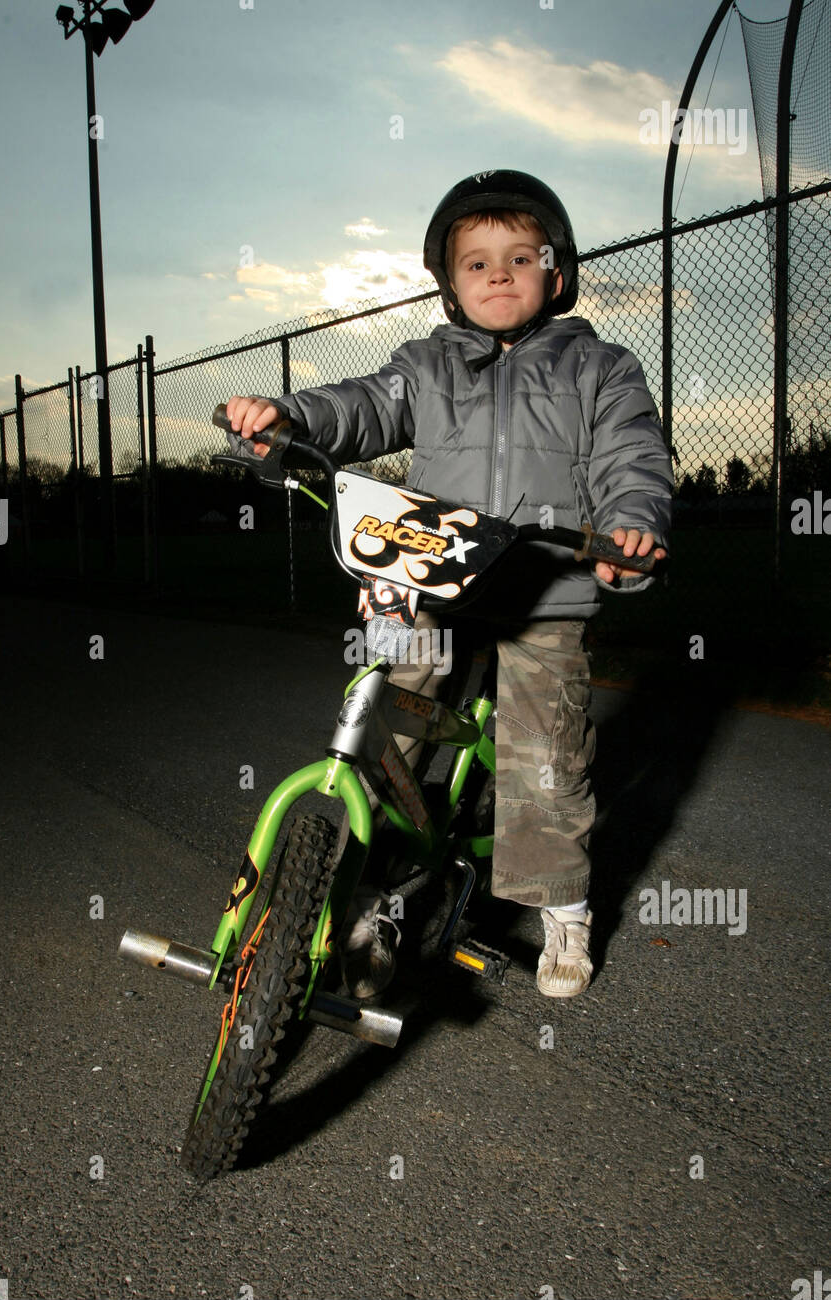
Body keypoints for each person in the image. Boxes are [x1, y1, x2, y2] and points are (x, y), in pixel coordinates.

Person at [226, 169, 672, 1003]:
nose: (497, 273)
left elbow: (633, 455)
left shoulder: (600, 367)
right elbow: (359, 407)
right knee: (394, 720)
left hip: (548, 588)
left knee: (544, 750)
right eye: (475, 262)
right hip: (435, 579)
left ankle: (563, 905)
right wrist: (287, 417)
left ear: (559, 274)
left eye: (520, 257)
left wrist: (633, 522)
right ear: (448, 284)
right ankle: (376, 896)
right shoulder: (424, 367)